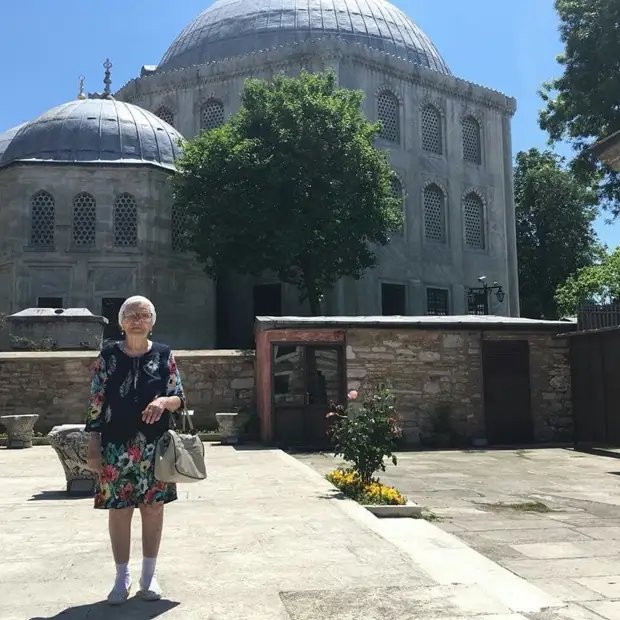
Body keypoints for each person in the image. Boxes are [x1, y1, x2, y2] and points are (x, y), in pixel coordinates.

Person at [85, 295, 186, 605]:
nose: (137, 319)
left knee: (154, 508)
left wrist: (163, 401)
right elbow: (96, 402)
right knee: (119, 510)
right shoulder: (108, 356)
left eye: (143, 315)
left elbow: (178, 396)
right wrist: (93, 444)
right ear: (121, 321)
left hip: (155, 448)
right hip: (116, 447)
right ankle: (121, 577)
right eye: (130, 314)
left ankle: (149, 575)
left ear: (152, 322)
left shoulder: (164, 355)